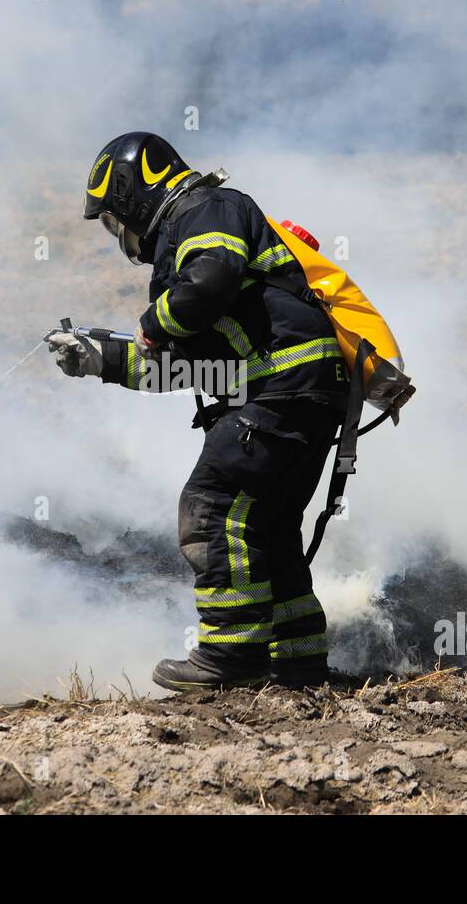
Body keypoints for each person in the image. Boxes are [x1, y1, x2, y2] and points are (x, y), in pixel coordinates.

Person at [47, 131, 347, 691]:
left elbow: (209, 279)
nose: (122, 235)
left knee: (210, 509)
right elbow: (194, 367)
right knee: (267, 528)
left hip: (283, 388)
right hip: (296, 389)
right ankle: (300, 663)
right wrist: (101, 361)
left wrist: (154, 322)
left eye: (117, 218)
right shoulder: (194, 243)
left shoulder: (206, 209)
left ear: (138, 196)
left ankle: (229, 658)